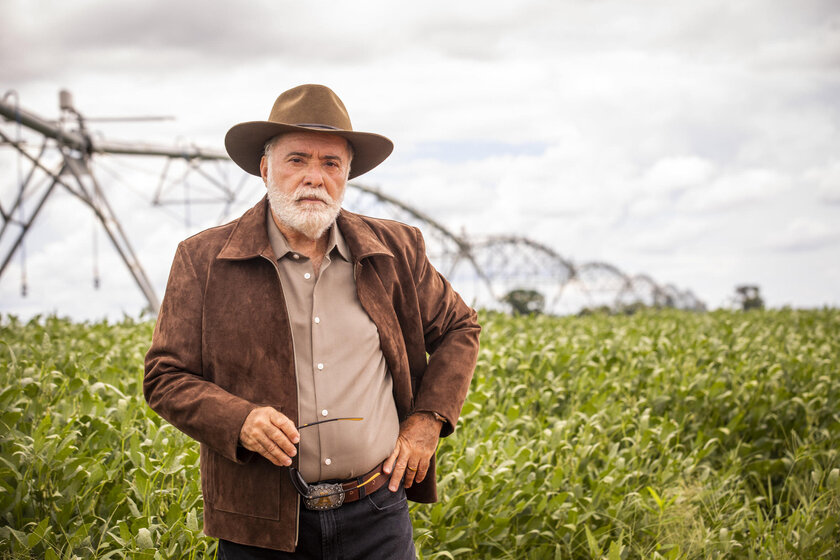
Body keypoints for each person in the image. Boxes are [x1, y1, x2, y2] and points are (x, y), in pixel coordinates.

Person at [143, 84, 480, 558]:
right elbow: (164, 377)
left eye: (330, 163)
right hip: (260, 526)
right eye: (297, 160)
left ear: (347, 175)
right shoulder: (204, 259)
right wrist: (240, 420)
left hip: (377, 513)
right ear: (266, 169)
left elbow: (460, 328)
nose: (314, 178)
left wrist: (429, 419)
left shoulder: (397, 250)